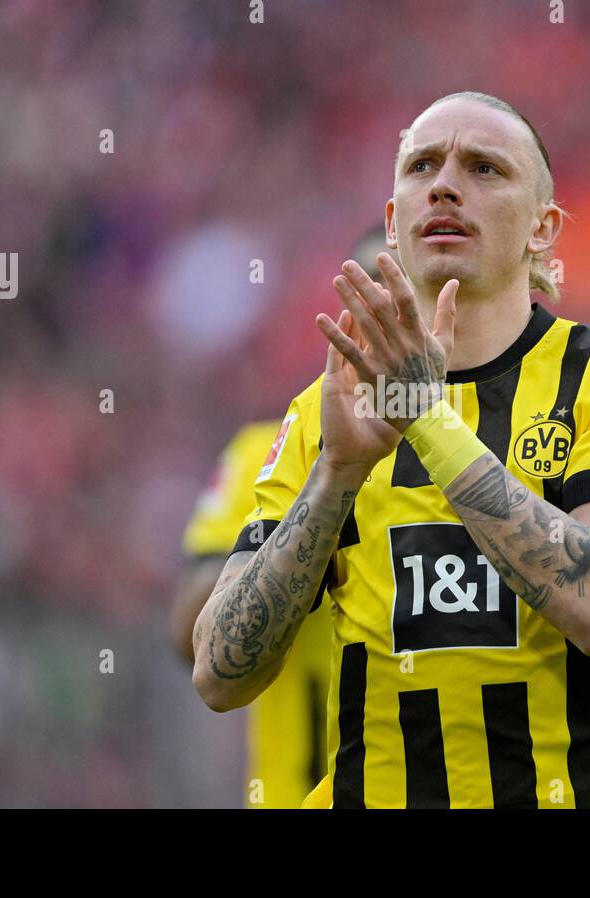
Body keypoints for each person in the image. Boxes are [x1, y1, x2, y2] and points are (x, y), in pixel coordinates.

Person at [193, 91, 590, 808]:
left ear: (541, 230)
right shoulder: (324, 413)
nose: (446, 183)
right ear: (394, 223)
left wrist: (426, 422)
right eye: (422, 165)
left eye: (485, 169)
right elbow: (219, 672)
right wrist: (336, 474)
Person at [170, 228, 398, 808]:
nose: (386, 308)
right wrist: (305, 547)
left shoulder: (474, 458)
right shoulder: (270, 447)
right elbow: (190, 639)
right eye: (370, 287)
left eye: (403, 288)